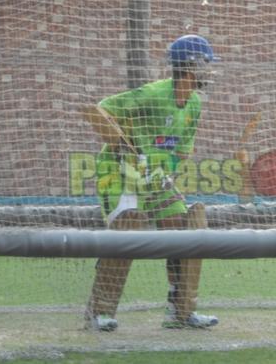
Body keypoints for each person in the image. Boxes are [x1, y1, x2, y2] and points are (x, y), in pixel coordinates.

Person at [83, 34, 219, 332]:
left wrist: (164, 176)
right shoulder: (153, 95)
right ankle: (98, 313)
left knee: (184, 228)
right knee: (128, 229)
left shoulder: (194, 104)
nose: (211, 71)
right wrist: (123, 146)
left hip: (156, 178)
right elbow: (100, 109)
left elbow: (181, 151)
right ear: (191, 65)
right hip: (119, 175)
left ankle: (179, 312)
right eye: (207, 64)